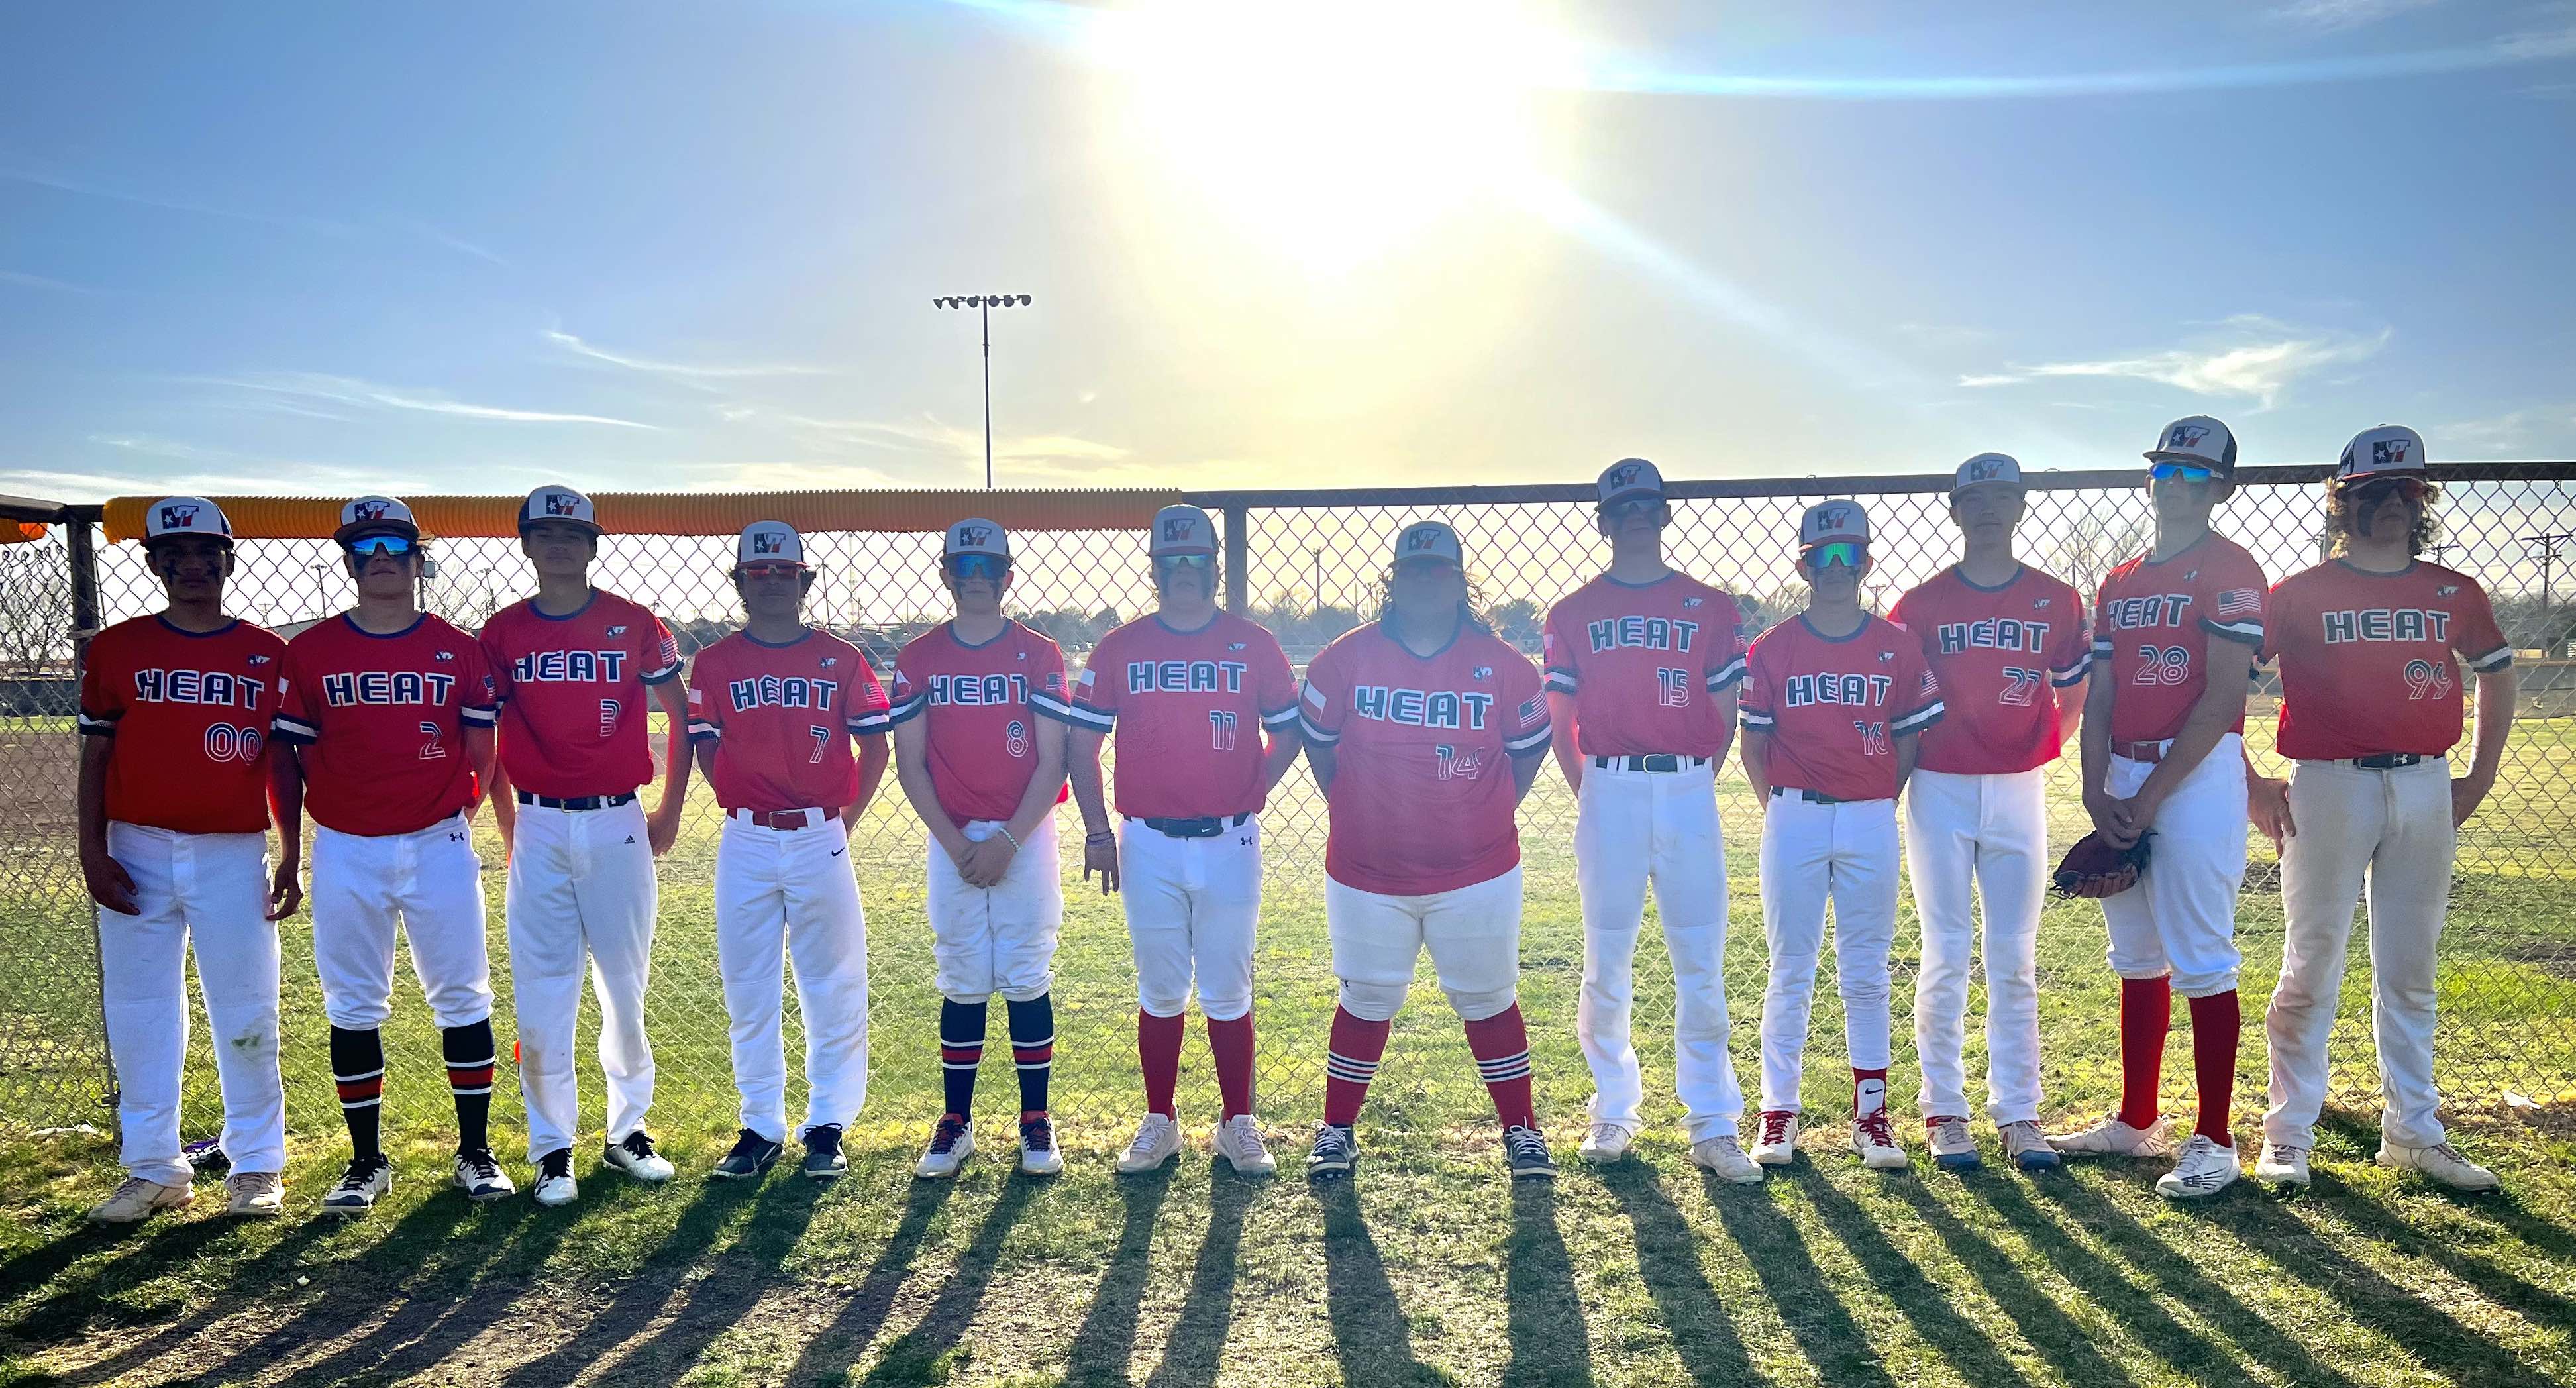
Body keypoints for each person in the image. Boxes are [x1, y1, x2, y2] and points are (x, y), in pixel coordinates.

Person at [2250, 426, 2515, 1192]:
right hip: (2327, 783)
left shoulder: (2452, 589)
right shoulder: (2296, 593)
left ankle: (2412, 1132)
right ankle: (2289, 1132)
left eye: (2406, 492)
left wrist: (2480, 775)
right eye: (2374, 493)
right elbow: (2225, 676)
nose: (2393, 506)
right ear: (2344, 504)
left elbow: (2496, 674)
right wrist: (2247, 780)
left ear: (2421, 502)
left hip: (2425, 782)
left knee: (2410, 967)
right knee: (2311, 963)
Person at [270, 496, 511, 1215]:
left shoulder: (457, 648)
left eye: (394, 547)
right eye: (365, 546)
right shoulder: (309, 652)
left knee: (463, 996)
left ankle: (474, 1151)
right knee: (352, 1004)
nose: (380, 557)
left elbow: (483, 749)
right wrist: (291, 851)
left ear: (416, 561)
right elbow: (287, 760)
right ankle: (365, 1161)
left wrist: (458, 816)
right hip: (345, 846)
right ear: (349, 561)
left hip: (437, 841)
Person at [2049, 417, 2269, 1200]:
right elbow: (2100, 693)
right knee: (2136, 954)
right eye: (2164, 472)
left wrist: (2145, 795)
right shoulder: (2120, 578)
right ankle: (2137, 1120)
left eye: (2193, 475)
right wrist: (2094, 783)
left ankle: (2215, 1136)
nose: (2175, 486)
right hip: (2125, 772)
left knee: (2203, 955)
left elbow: (2218, 701)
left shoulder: (2232, 566)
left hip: (2197, 775)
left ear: (2221, 488)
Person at [1298, 520, 1558, 1183]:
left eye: (1438, 571)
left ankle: (1520, 1130)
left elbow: (1524, 760)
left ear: (1459, 582)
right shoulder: (1344, 658)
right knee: (1366, 997)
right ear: (1393, 580)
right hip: (1367, 870)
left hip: (1476, 868)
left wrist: (1475, 816)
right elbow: (1322, 752)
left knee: (1488, 996)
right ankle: (1336, 1130)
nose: (1425, 582)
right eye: (1413, 571)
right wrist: (1364, 809)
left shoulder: (1501, 664)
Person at [1066, 504, 1302, 1178]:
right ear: (1156, 570)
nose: (1186, 573)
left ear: (1214, 569)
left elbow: (1287, 731)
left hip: (1230, 836)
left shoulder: (1252, 643)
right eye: (1173, 562)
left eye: (1198, 561)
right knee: (1162, 987)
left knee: (1228, 987)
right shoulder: (1120, 647)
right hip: (1147, 840)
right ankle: (1161, 1120)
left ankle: (1236, 1122)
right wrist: (1094, 830)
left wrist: (1252, 785)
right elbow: (1083, 744)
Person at [76, 498, 295, 1222]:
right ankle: (153, 1167)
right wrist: (92, 849)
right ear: (154, 563)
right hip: (135, 843)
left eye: (207, 553)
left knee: (247, 1005)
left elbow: (286, 761)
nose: (192, 565)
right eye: (175, 554)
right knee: (140, 1009)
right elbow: (96, 751)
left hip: (233, 848)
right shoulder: (118, 647)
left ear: (229, 561)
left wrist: (291, 852)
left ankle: (257, 1164)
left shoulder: (269, 652)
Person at [1541, 460, 1759, 1182]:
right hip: (1609, 785)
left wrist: (1694, 774)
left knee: (1699, 956)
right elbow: (1560, 717)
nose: (1635, 515)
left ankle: (1712, 1119)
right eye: (1621, 506)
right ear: (1603, 520)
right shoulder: (1572, 611)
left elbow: (1724, 713)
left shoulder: (1709, 604)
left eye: (1647, 504)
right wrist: (1594, 787)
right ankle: (1614, 1106)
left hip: (1686, 784)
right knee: (1607, 956)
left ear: (1665, 514)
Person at [480, 485, 688, 1206]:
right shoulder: (502, 631)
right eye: (546, 533)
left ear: (593, 544)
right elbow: (493, 736)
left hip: (616, 815)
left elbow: (679, 717)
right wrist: (509, 822)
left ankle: (628, 1129)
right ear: (528, 545)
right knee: (543, 986)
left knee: (624, 984)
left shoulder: (632, 622)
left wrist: (668, 810)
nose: (560, 544)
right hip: (538, 819)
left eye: (573, 533)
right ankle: (552, 1148)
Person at [1886, 455, 2089, 1174]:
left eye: (2003, 496)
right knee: (1944, 950)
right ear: (1954, 510)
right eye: (1975, 498)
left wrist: (2035, 749)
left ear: (2021, 506)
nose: (1989, 510)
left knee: (2013, 954)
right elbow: (1899, 699)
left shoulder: (2056, 600)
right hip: (1938, 786)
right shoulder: (1919, 603)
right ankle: (1943, 1109)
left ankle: (2018, 1111)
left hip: (2016, 789)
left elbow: (2072, 695)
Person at [1739, 501, 1944, 1172]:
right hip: (1795, 811)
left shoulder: (1896, 643)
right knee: (1790, 967)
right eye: (1820, 556)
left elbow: (1911, 733)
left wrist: (1880, 796)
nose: (1834, 567)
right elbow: (1753, 742)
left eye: (1845, 554)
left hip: (1867, 812)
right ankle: (1778, 1112)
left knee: (1865, 968)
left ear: (1864, 561)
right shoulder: (1772, 648)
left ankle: (1872, 1114)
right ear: (1803, 565)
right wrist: (1784, 809)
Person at [688, 522, 891, 1183]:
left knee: (833, 983)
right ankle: (760, 1126)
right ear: (742, 582)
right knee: (748, 984)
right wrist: (743, 797)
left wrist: (845, 820)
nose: (772, 583)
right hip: (745, 837)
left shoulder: (840, 656)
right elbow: (705, 744)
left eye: (784, 573)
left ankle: (827, 1123)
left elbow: (876, 743)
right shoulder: (716, 663)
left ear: (804, 582)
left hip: (818, 833)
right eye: (759, 573)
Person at [888, 518, 1076, 1179]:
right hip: (954, 832)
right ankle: (957, 1121)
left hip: (1023, 830)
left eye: (987, 569)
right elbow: (908, 762)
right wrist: (957, 843)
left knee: (1026, 969)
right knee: (963, 972)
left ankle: (1034, 1120)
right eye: (963, 568)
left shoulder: (1040, 652)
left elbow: (1052, 760)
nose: (975, 580)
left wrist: (1005, 840)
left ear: (1006, 576)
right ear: (945, 574)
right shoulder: (919, 658)